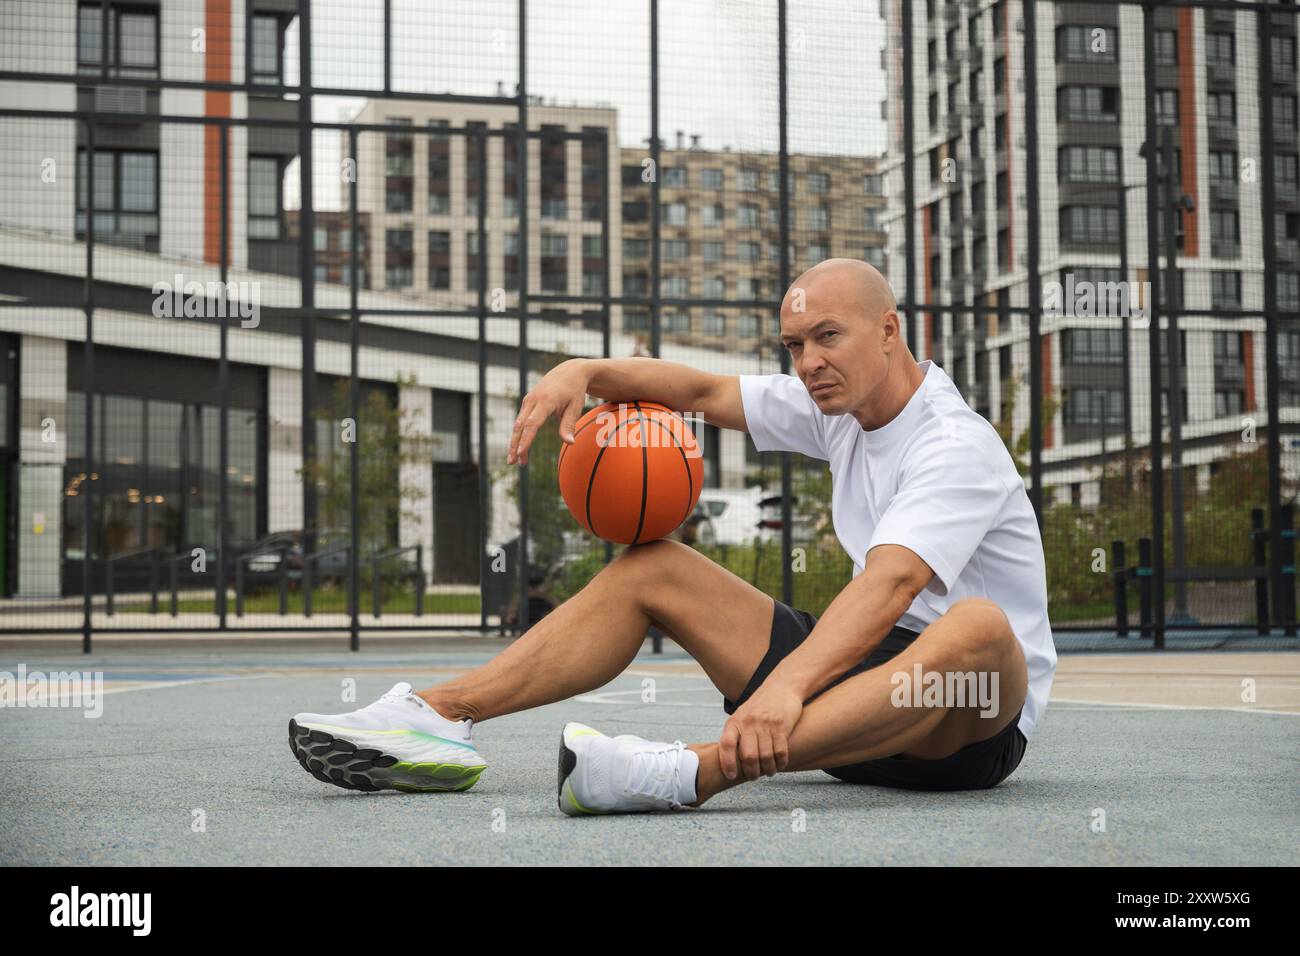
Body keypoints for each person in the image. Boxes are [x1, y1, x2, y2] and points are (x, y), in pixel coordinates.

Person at [287, 258, 1056, 813]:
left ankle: (690, 773)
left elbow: (892, 584)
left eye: (827, 337)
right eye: (794, 346)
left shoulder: (952, 443)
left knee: (981, 633)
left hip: (962, 723)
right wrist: (582, 370)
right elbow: (702, 390)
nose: (809, 363)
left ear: (889, 332)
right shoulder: (840, 406)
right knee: (653, 565)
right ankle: (436, 718)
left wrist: (784, 688)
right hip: (852, 708)